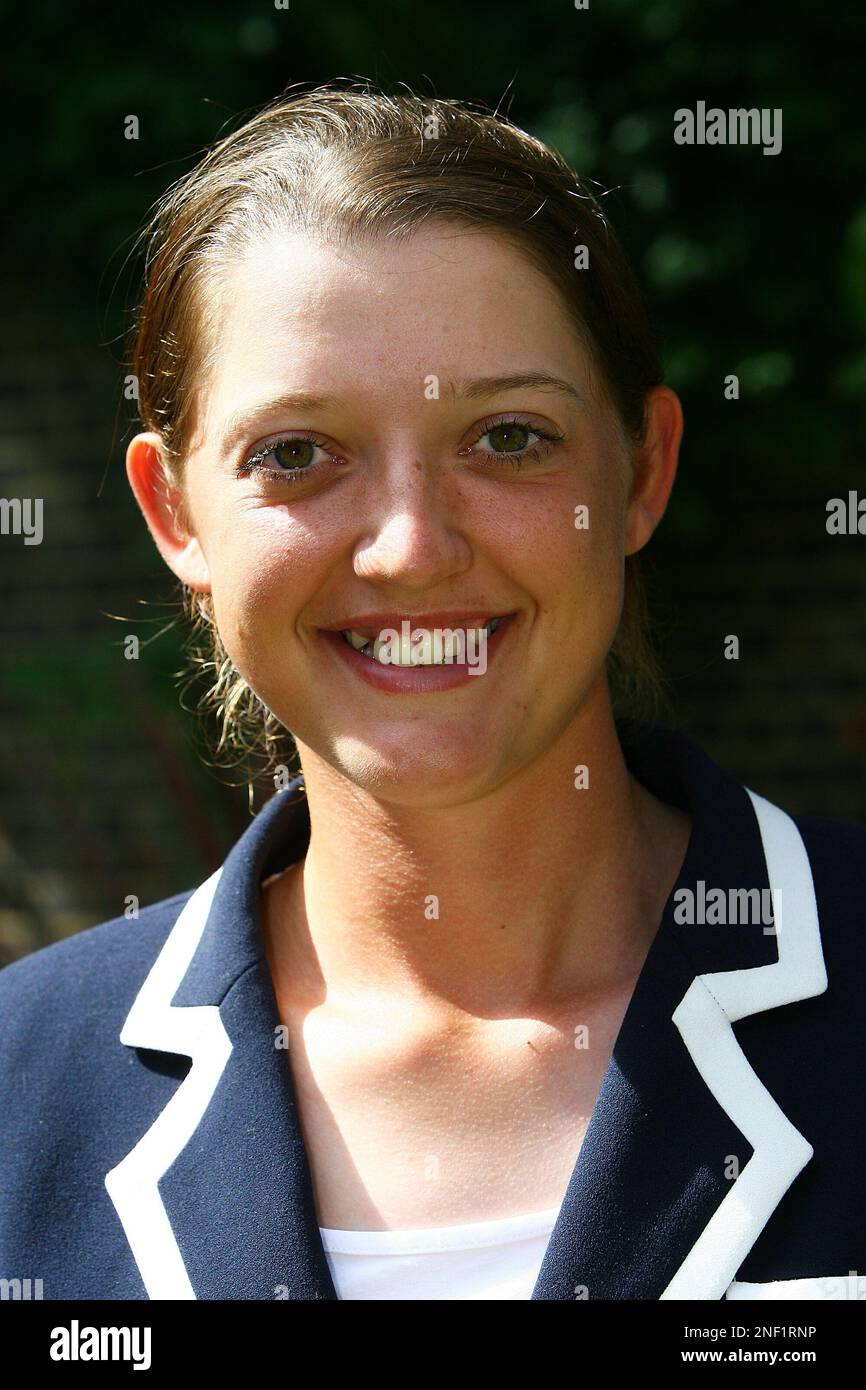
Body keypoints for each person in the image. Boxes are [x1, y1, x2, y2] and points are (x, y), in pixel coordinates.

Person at [1, 83, 863, 1302]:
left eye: (507, 437)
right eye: (295, 453)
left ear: (640, 471)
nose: (408, 548)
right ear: (174, 514)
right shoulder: (15, 1088)